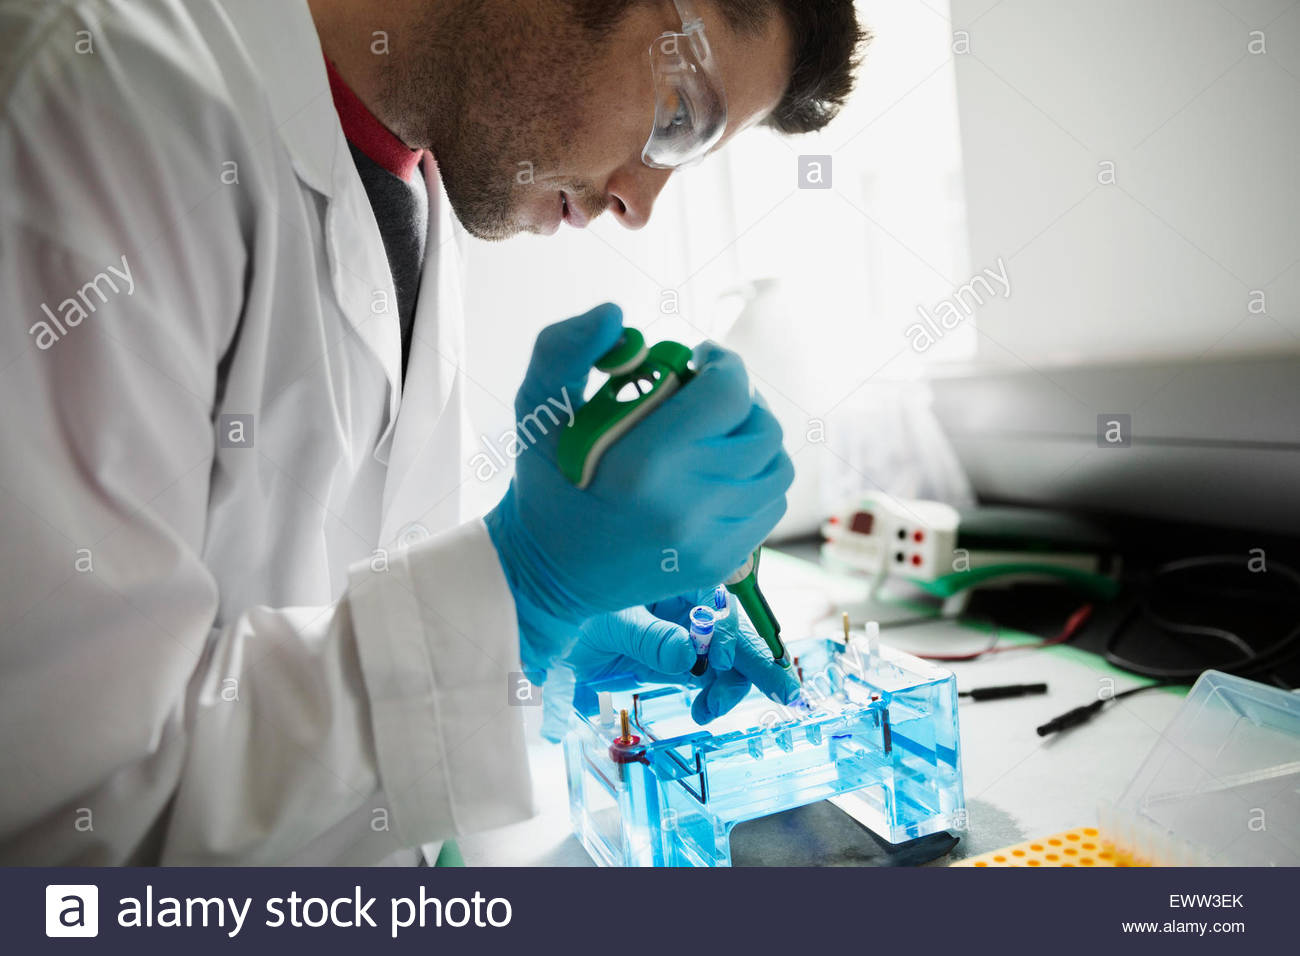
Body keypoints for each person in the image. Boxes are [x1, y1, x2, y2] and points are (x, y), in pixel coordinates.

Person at [0, 0, 866, 864]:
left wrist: (524, 663)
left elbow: (291, 609)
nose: (639, 203)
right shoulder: (96, 96)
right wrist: (519, 593)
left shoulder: (411, 169)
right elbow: (68, 816)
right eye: (679, 114)